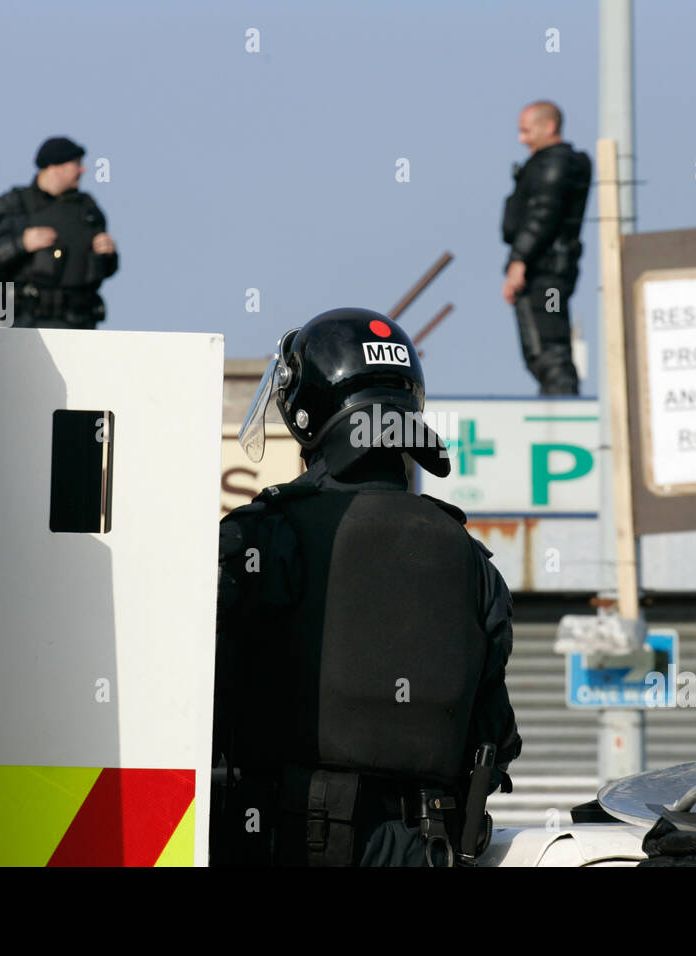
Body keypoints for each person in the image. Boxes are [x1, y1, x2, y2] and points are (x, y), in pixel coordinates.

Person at [212, 307, 522, 867]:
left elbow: (195, 706)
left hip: (287, 841)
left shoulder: (260, 536)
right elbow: (495, 738)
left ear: (306, 408)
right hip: (429, 849)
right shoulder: (471, 559)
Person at [0, 136, 117, 329]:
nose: (83, 170)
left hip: (80, 326)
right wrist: (22, 244)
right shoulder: (11, 207)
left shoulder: (88, 210)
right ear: (54, 166)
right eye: (76, 164)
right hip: (24, 327)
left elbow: (107, 269)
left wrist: (108, 254)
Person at [501, 101, 592, 395]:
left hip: (545, 275)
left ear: (548, 127)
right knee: (544, 349)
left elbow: (543, 215)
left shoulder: (553, 164)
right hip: (550, 270)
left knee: (548, 351)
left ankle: (563, 412)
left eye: (526, 131)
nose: (522, 139)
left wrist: (519, 261)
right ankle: (557, 405)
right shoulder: (557, 163)